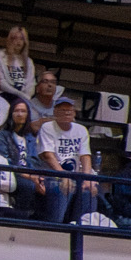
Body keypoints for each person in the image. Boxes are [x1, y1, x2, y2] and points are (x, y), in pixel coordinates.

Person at [38, 96, 101, 226]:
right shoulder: (47, 127)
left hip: (76, 175)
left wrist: (87, 177)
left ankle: (80, 228)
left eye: (69, 110)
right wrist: (63, 175)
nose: (66, 113)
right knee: (62, 187)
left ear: (74, 113)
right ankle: (55, 227)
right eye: (62, 110)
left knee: (89, 189)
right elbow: (48, 155)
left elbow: (85, 156)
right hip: (53, 175)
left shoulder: (81, 130)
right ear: (55, 112)